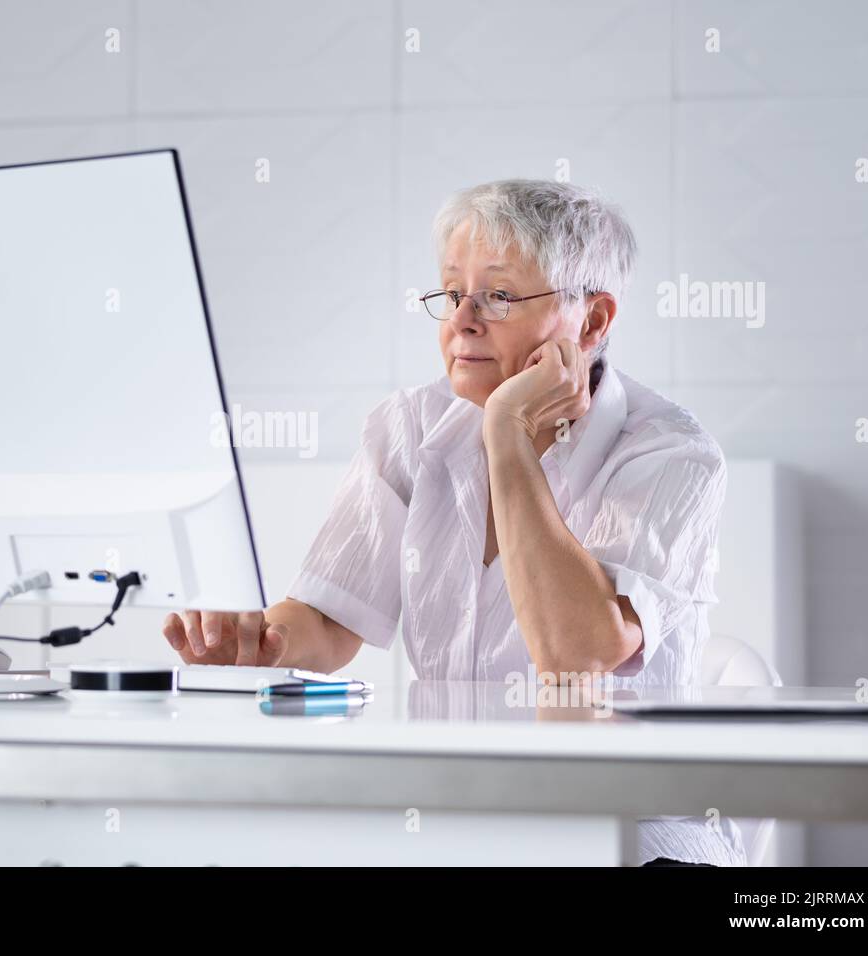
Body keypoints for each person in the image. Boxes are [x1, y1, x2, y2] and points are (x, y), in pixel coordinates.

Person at [162, 179, 744, 866]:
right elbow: (330, 622)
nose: (461, 321)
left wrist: (506, 433)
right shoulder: (408, 428)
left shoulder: (671, 453)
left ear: (591, 322)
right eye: (451, 292)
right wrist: (260, 639)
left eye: (498, 296)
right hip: (455, 823)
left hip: (631, 831)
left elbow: (577, 653)